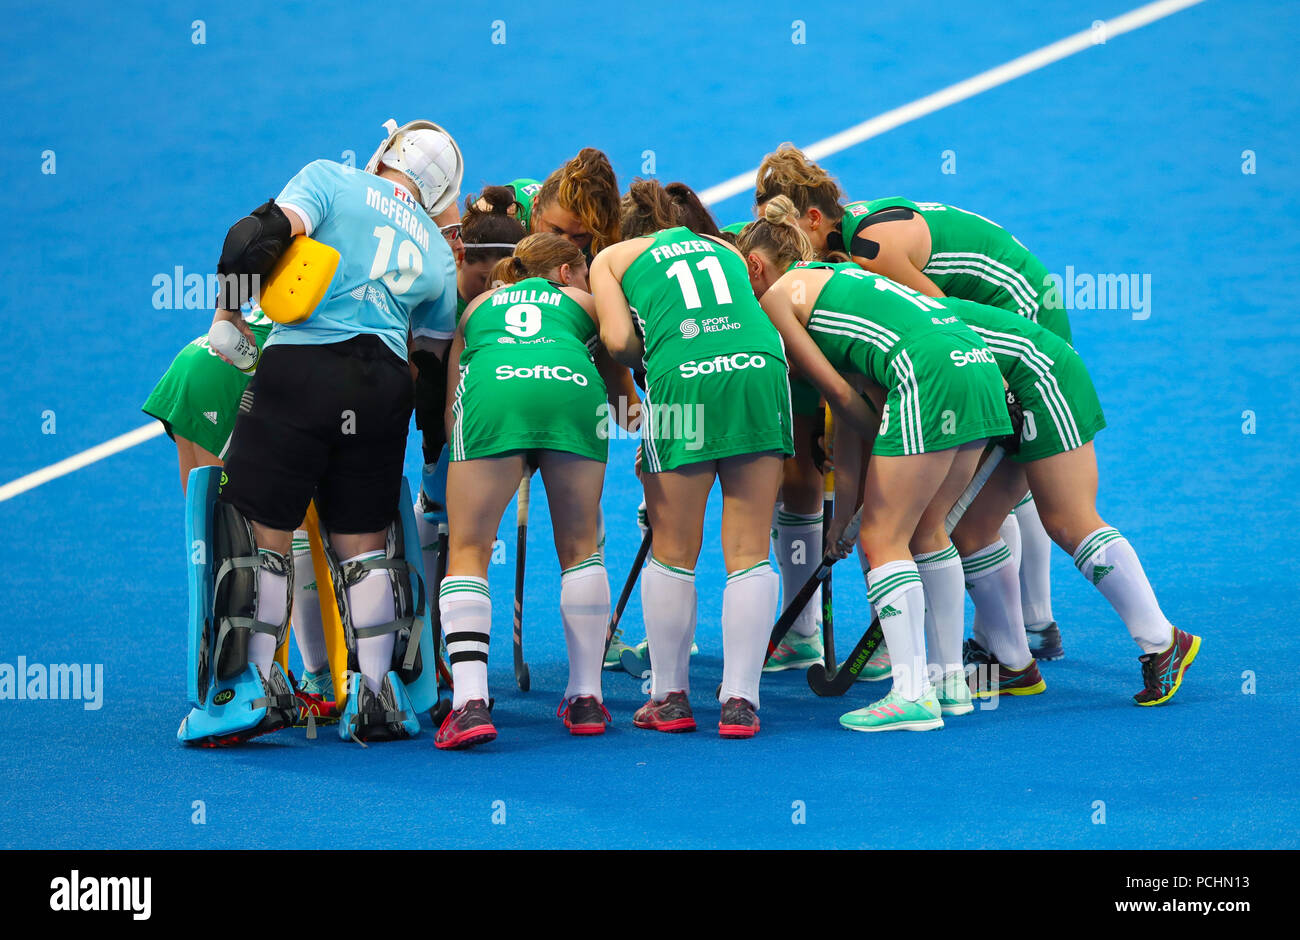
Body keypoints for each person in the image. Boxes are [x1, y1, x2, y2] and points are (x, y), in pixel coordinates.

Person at [178, 119, 462, 746]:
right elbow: (431, 371)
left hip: (302, 370)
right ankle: (377, 692)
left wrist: (228, 314)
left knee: (260, 529)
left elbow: (254, 236)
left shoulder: (331, 179)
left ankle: (247, 689)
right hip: (383, 384)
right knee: (365, 546)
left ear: (387, 152)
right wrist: (432, 455)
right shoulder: (440, 253)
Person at [755, 142, 1070, 662]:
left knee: (993, 482)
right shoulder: (842, 236)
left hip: (1018, 321)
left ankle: (1025, 626)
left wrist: (885, 429)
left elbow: (941, 315)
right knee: (957, 496)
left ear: (811, 219)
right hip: (974, 336)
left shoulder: (865, 252)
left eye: (791, 237)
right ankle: (1012, 639)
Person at [737, 197, 1012, 731]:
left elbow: (840, 399)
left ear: (756, 266)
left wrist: (864, 513)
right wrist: (844, 516)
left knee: (885, 540)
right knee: (928, 530)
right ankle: (948, 681)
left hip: (926, 372)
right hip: (977, 365)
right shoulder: (842, 280)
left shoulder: (776, 297)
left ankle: (910, 695)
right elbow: (863, 407)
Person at [591, 180, 854, 738]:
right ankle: (740, 699)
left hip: (684, 379)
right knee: (748, 548)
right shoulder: (726, 246)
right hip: (761, 371)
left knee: (675, 549)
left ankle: (669, 697)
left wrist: (653, 339)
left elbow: (617, 344)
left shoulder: (613, 257)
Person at [936, 296, 1200, 705]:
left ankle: (1163, 640)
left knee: (1067, 519)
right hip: (996, 386)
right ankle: (1013, 663)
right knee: (971, 531)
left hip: (1040, 377)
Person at [435, 233, 639, 748]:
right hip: (571, 394)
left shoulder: (477, 305)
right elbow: (626, 410)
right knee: (579, 549)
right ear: (567, 272)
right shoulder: (586, 304)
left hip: (493, 399)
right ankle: (587, 697)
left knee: (469, 549)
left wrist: (506, 448)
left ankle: (470, 703)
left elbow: (451, 407)